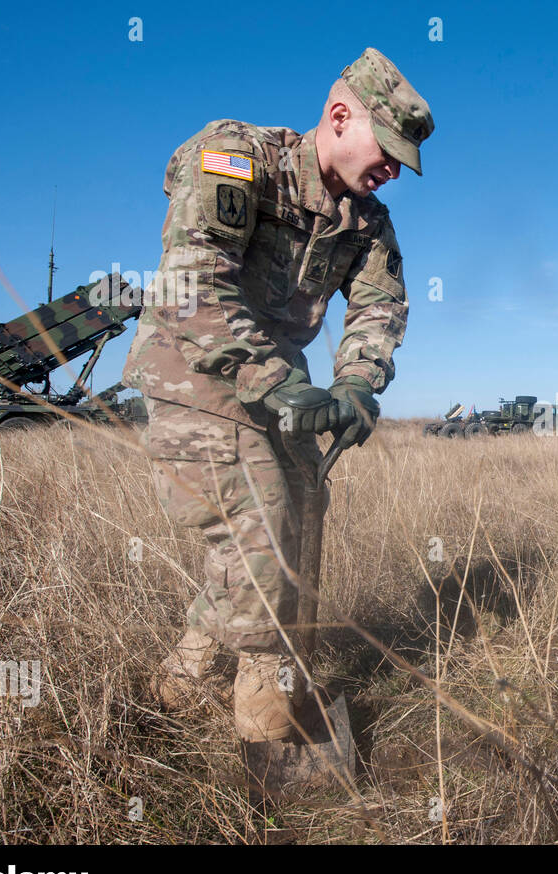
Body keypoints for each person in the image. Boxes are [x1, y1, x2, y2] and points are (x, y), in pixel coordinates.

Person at [122, 48, 433, 742]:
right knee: (263, 533)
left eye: (400, 162)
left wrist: (356, 383)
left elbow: (381, 307)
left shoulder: (369, 222)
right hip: (194, 374)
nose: (390, 170)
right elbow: (193, 284)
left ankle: (181, 678)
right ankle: (269, 757)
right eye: (385, 150)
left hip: (277, 386)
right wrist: (278, 380)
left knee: (293, 522)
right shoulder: (237, 155)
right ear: (340, 114)